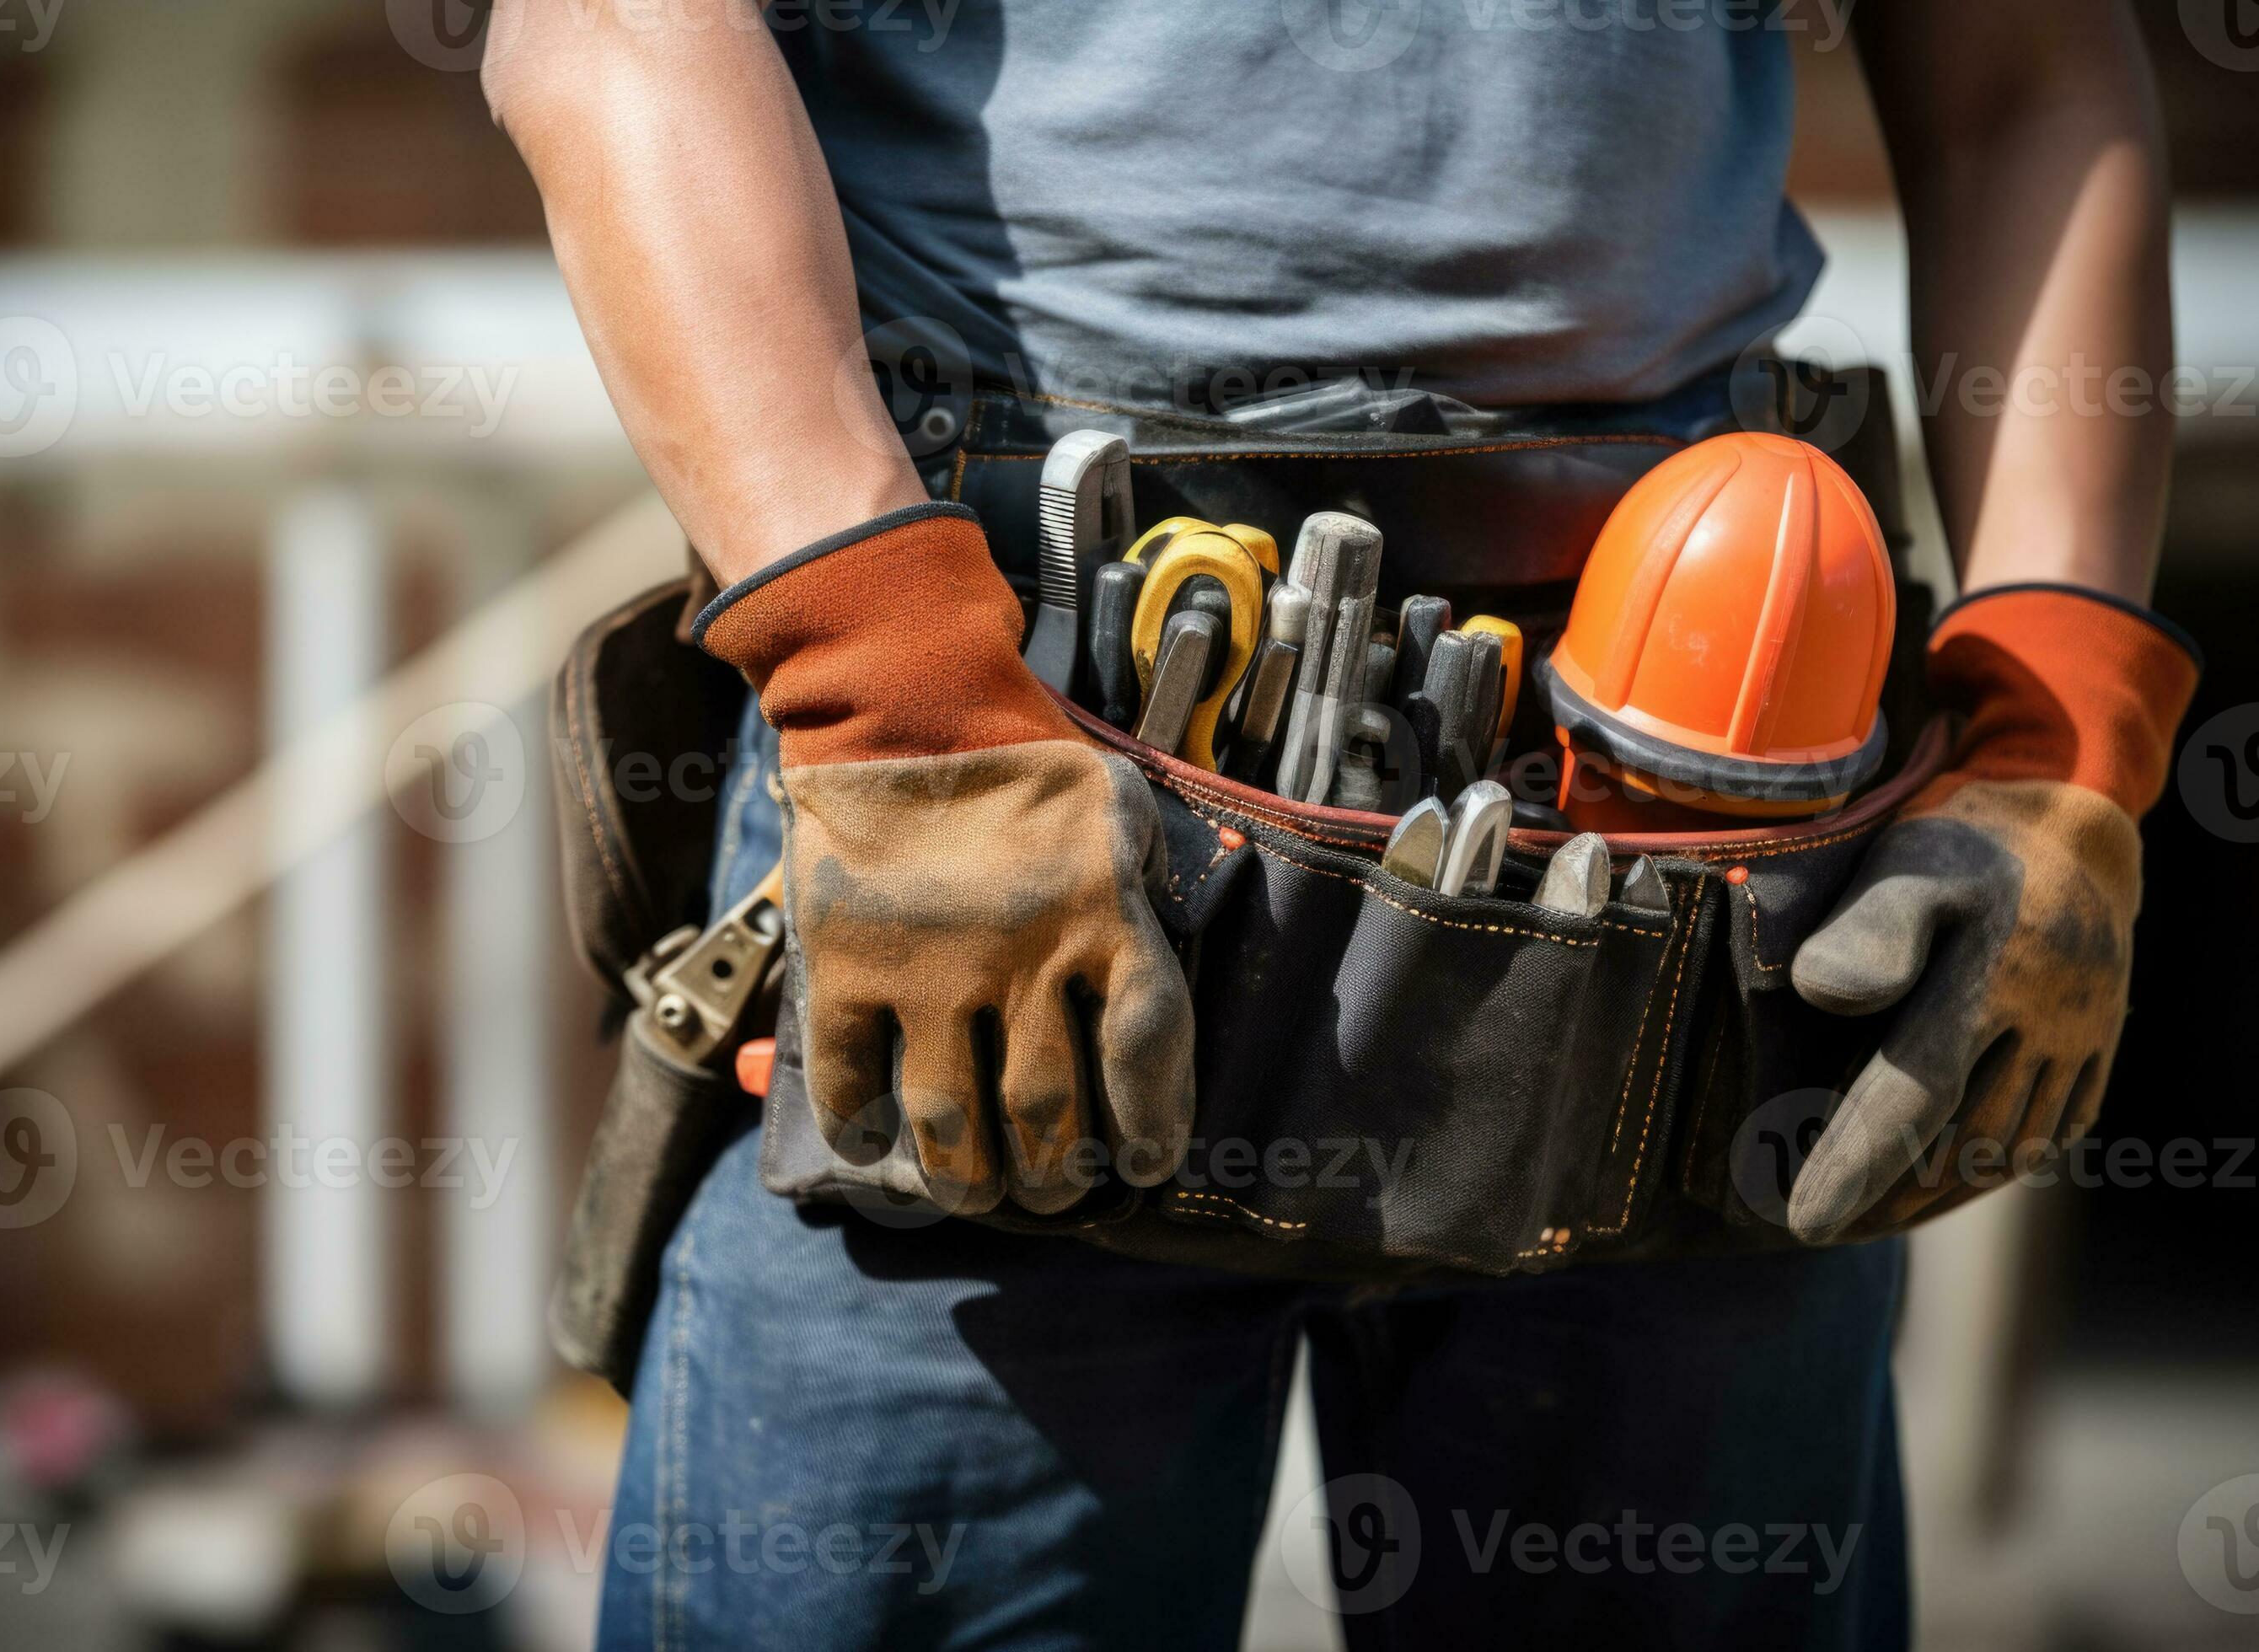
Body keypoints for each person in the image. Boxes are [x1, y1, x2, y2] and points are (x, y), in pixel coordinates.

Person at [485, 3, 2199, 1644]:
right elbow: (606, 22)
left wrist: (2054, 722)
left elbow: (2026, 72)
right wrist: (895, 692)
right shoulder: (936, 740)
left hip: (1705, 838)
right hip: (997, 825)